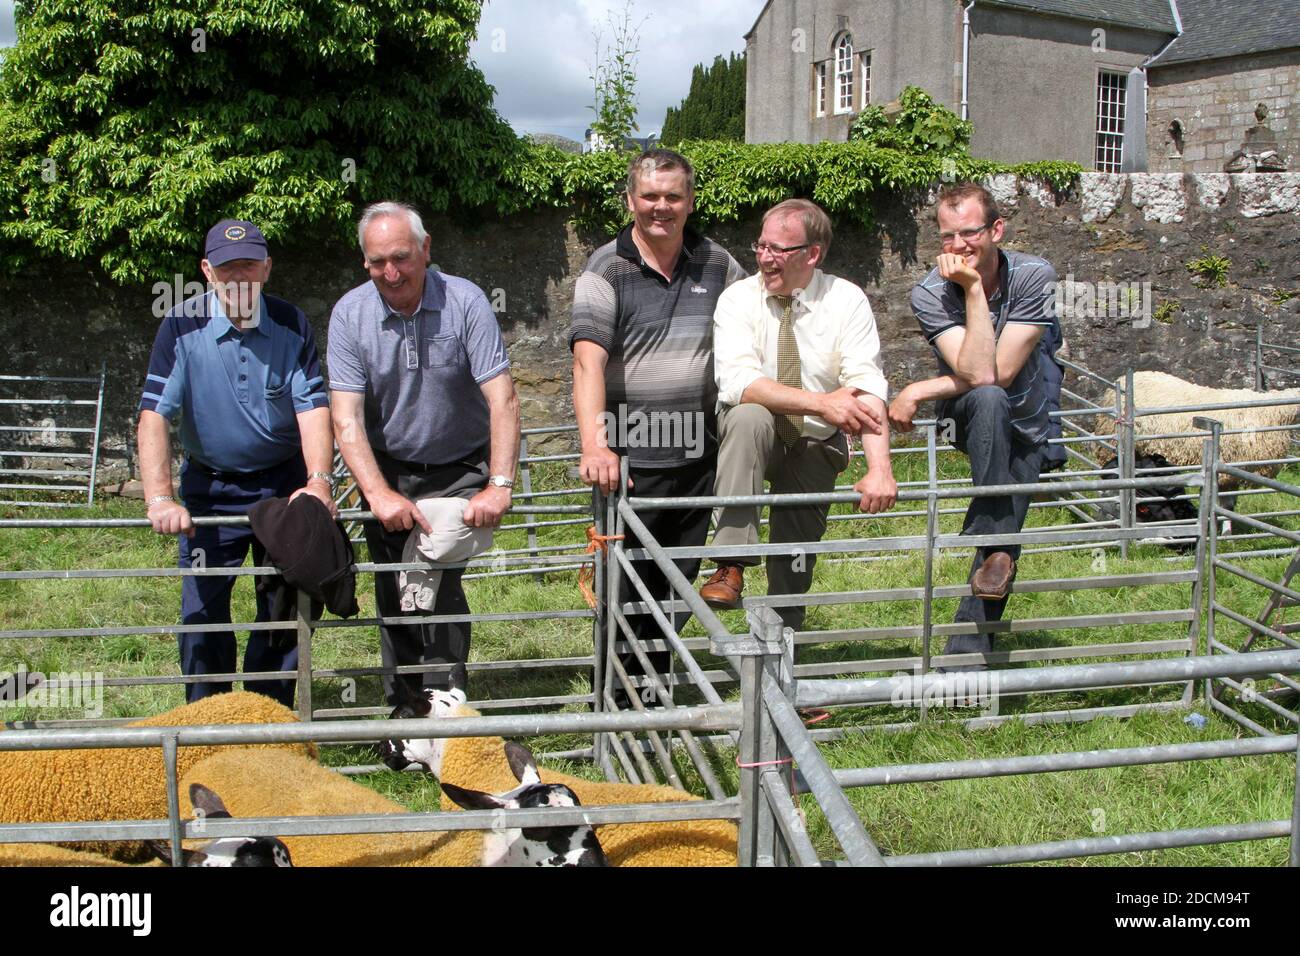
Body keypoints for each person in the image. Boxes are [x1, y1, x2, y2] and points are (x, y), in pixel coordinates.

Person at [571, 148, 747, 708]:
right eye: (649, 196)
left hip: (698, 456)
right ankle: (617, 704)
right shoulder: (606, 269)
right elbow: (586, 362)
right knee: (626, 586)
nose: (661, 207)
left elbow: (758, 318)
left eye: (673, 196)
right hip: (630, 463)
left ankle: (654, 693)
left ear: (690, 202)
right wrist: (595, 444)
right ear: (631, 200)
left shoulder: (718, 264)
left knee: (674, 586)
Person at [138, 218, 336, 706]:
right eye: (227, 269)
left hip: (282, 487)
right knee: (203, 613)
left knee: (282, 605)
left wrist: (318, 482)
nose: (238, 278)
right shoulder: (181, 325)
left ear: (267, 268)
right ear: (207, 271)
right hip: (211, 487)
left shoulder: (291, 323)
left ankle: (267, 718)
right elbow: (154, 415)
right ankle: (211, 720)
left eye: (249, 265)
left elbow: (312, 407)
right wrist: (160, 498)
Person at [329, 201, 520, 705]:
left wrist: (499, 484)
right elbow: (345, 416)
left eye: (401, 257)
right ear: (364, 262)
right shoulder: (350, 314)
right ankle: (404, 704)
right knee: (394, 587)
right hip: (389, 466)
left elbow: (502, 396)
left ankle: (447, 700)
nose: (390, 273)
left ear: (425, 249)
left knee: (439, 578)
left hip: (458, 465)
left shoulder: (465, 302)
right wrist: (376, 492)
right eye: (376, 262)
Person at [699, 199, 897, 632]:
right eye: (762, 246)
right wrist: (823, 402)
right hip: (755, 439)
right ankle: (730, 564)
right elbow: (738, 383)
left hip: (814, 441)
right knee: (749, 415)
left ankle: (783, 660)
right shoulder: (737, 299)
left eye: (779, 250)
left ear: (813, 254)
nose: (766, 258)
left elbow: (866, 385)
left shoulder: (846, 299)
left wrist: (880, 469)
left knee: (794, 563)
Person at [888, 182, 1059, 668]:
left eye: (970, 232)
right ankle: (992, 549)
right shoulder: (929, 292)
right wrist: (973, 290)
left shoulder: (1035, 275)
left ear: (997, 229)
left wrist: (916, 389)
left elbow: (1001, 370)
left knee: (998, 560)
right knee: (985, 397)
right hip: (968, 418)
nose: (959, 246)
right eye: (947, 236)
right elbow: (980, 374)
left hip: (1026, 419)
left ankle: (967, 657)